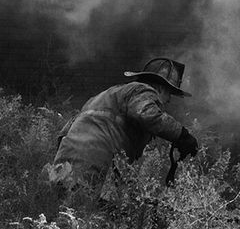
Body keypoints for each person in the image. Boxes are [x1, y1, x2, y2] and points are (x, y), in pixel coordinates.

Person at [51, 57, 199, 190]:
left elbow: (65, 131)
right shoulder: (144, 91)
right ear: (160, 88)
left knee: (62, 213)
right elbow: (147, 114)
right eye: (169, 94)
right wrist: (182, 135)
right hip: (94, 163)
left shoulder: (107, 95)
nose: (168, 100)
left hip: (64, 163)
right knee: (86, 213)